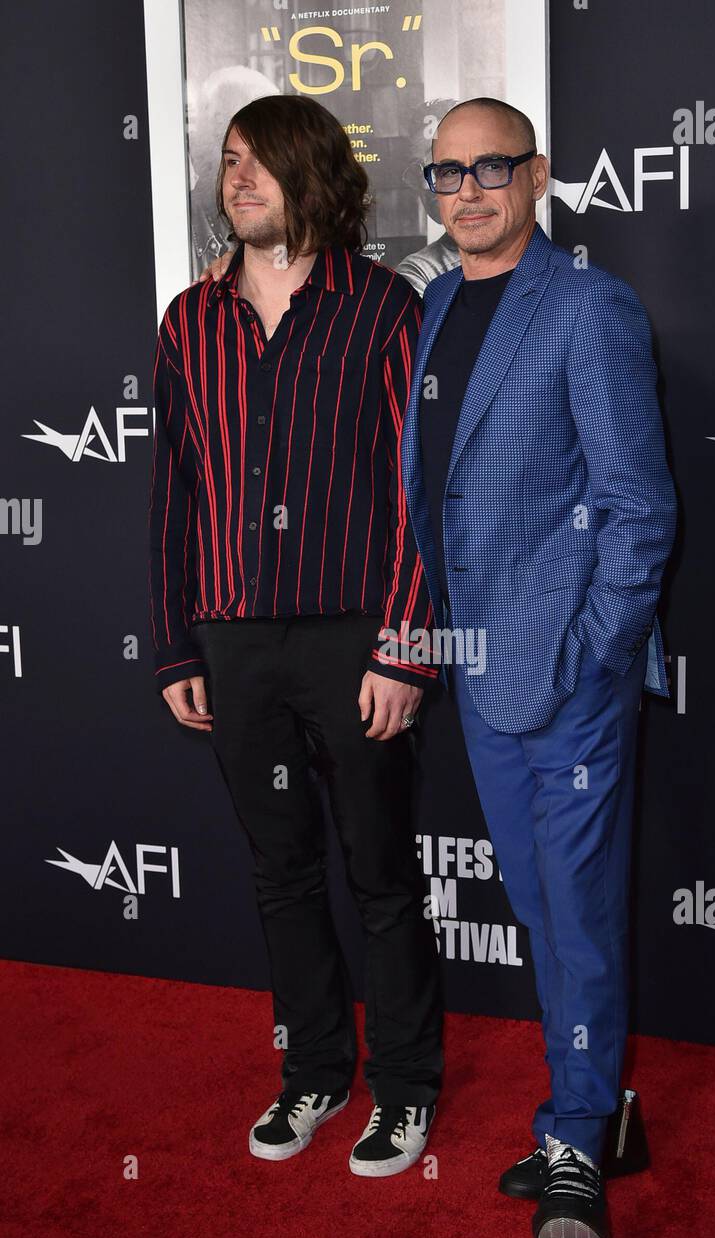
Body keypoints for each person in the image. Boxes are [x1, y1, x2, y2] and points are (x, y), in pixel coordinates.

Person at [398, 97, 677, 1238]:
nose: (467, 191)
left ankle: (573, 1134)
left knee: (574, 909)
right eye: (447, 173)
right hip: (479, 669)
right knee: (538, 903)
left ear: (539, 175)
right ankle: (599, 1108)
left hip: (561, 679)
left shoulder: (590, 308)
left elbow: (635, 510)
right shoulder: (439, 304)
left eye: (491, 168)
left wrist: (587, 661)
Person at [148, 93, 442, 1178]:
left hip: (353, 635)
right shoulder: (188, 321)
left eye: (260, 162)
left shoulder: (379, 311)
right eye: (228, 161)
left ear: (312, 175)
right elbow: (173, 495)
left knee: (378, 871)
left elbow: (420, 494)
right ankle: (316, 1070)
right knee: (280, 872)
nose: (239, 179)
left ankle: (405, 1089)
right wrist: (177, 645)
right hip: (233, 639)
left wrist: (404, 644)